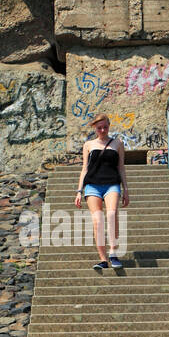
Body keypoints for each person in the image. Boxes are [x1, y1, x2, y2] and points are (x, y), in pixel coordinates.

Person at [74, 115, 129, 270]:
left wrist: (126, 190)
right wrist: (79, 191)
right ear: (95, 128)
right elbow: (84, 168)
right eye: (99, 128)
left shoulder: (117, 143)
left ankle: (113, 252)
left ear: (109, 126)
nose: (103, 130)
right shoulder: (89, 145)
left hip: (112, 183)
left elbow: (121, 168)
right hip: (93, 185)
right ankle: (103, 259)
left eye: (105, 127)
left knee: (111, 214)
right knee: (98, 219)